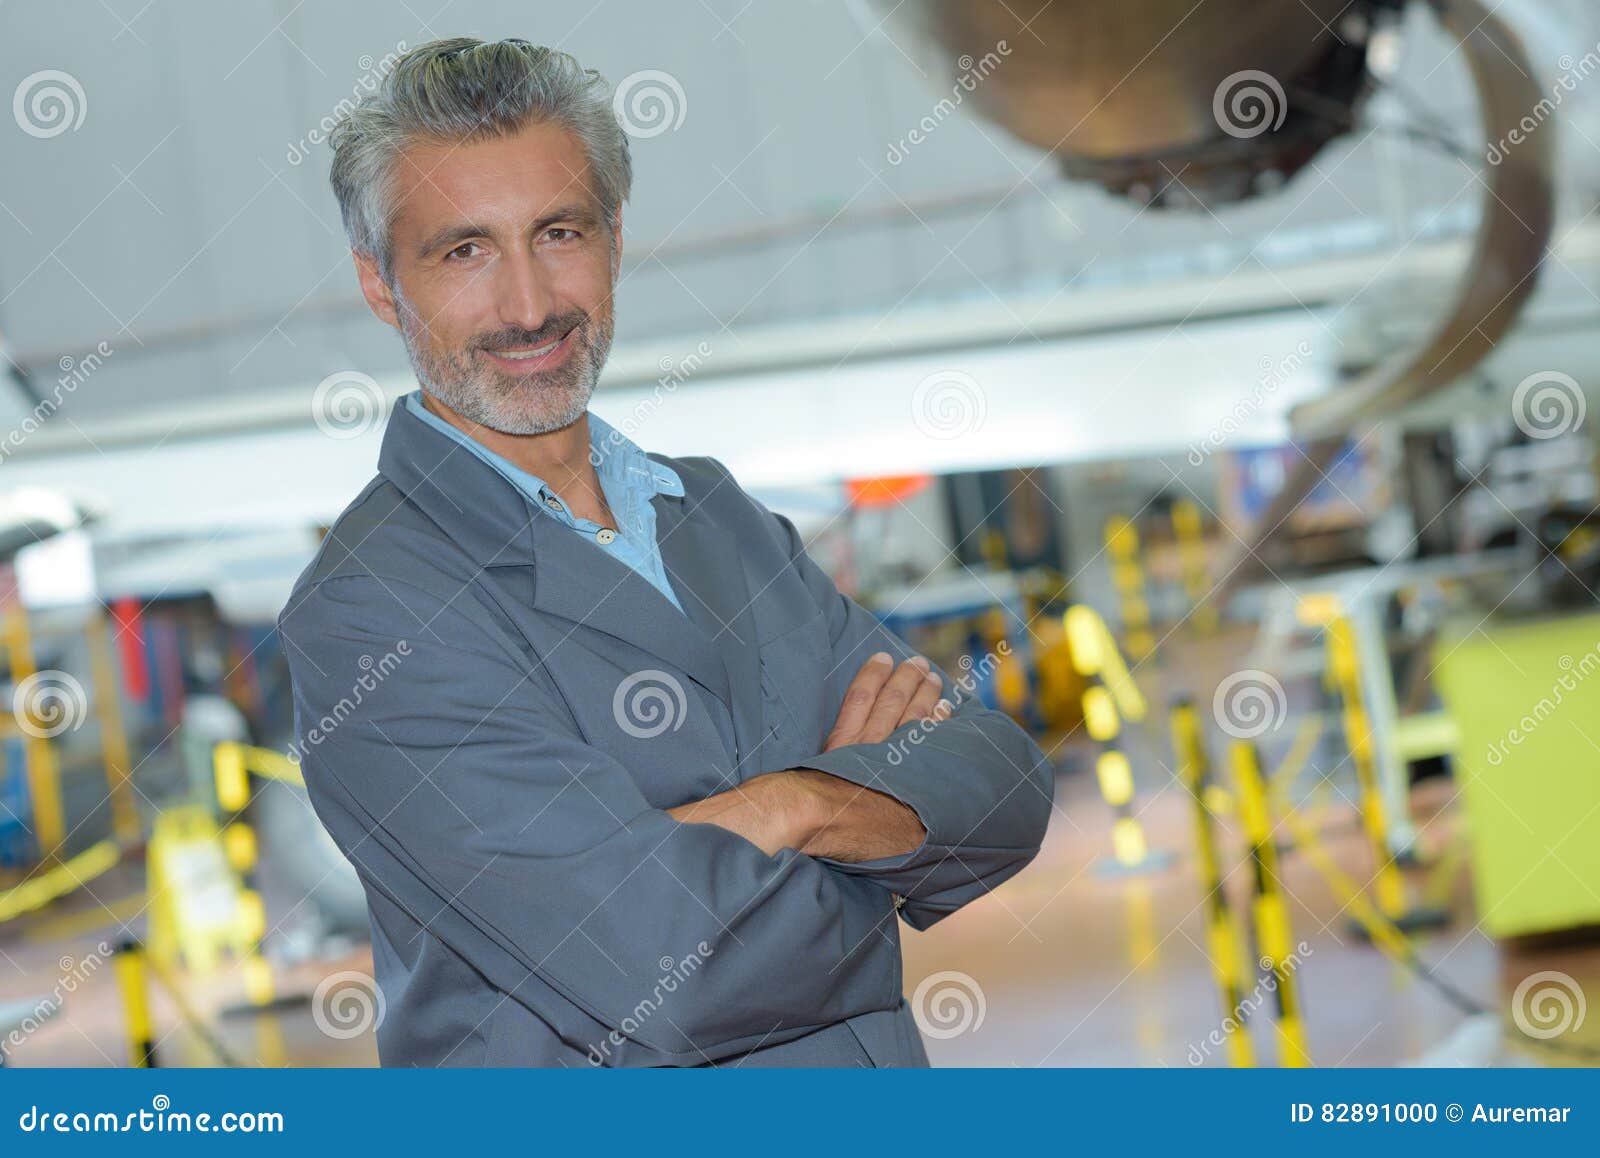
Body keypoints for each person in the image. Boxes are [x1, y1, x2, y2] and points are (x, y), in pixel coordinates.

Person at [279, 37, 1054, 1067]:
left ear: (613, 235)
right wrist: (875, 833)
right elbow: (674, 968)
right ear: (380, 285)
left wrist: (788, 805)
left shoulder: (710, 511)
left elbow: (1000, 791)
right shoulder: (373, 610)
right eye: (465, 251)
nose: (526, 305)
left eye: (559, 231)